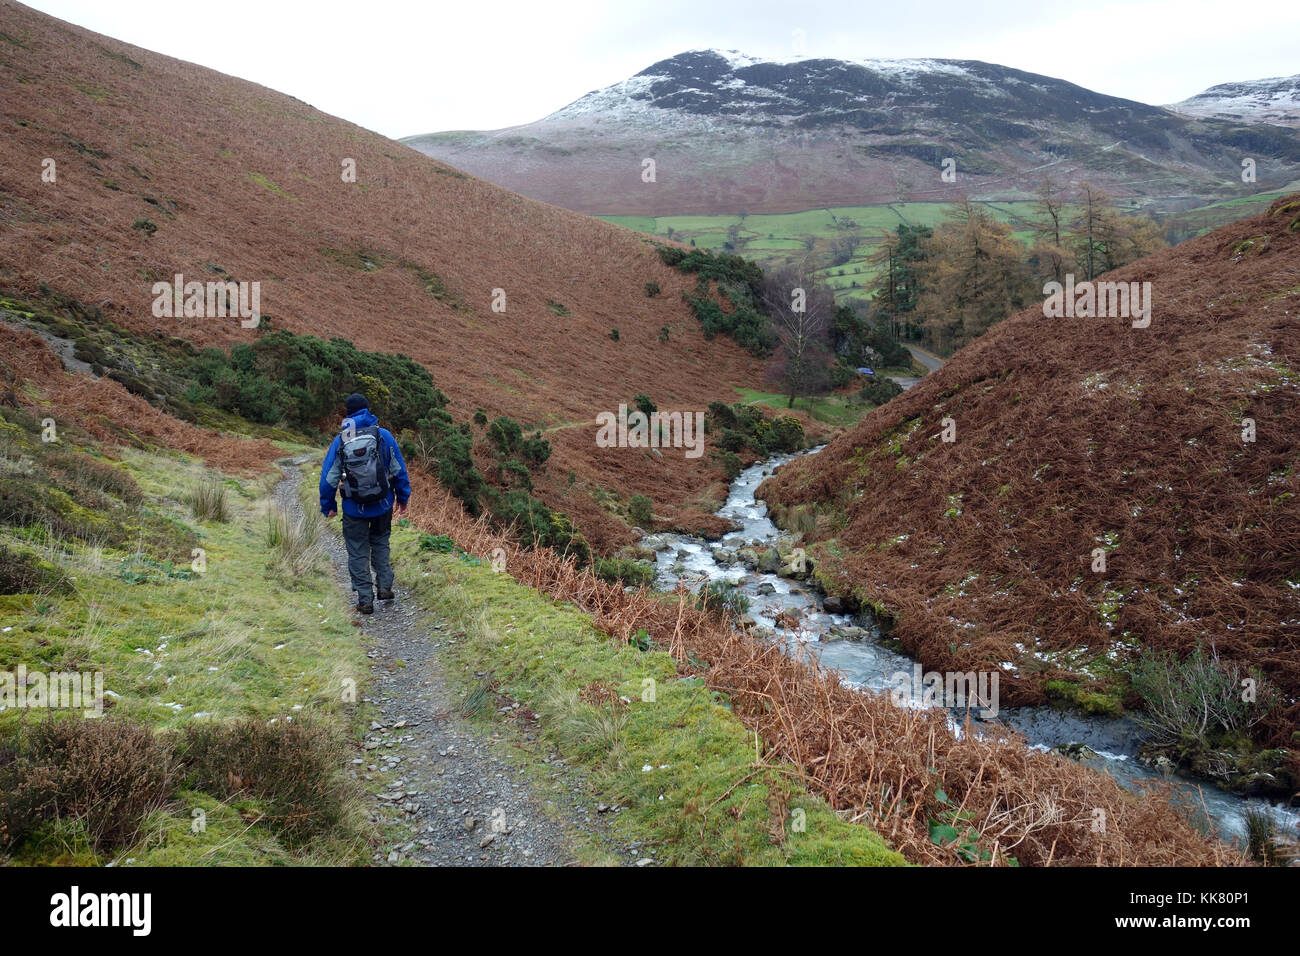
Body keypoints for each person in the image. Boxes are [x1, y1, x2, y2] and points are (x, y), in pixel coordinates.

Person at [320, 393, 410, 614]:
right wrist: (403, 497)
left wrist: (328, 504)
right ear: (368, 410)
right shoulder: (383, 435)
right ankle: (385, 587)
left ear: (348, 414)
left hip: (353, 507)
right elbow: (399, 470)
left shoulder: (341, 439)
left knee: (358, 550)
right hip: (382, 504)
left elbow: (328, 478)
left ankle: (365, 599)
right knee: (380, 542)